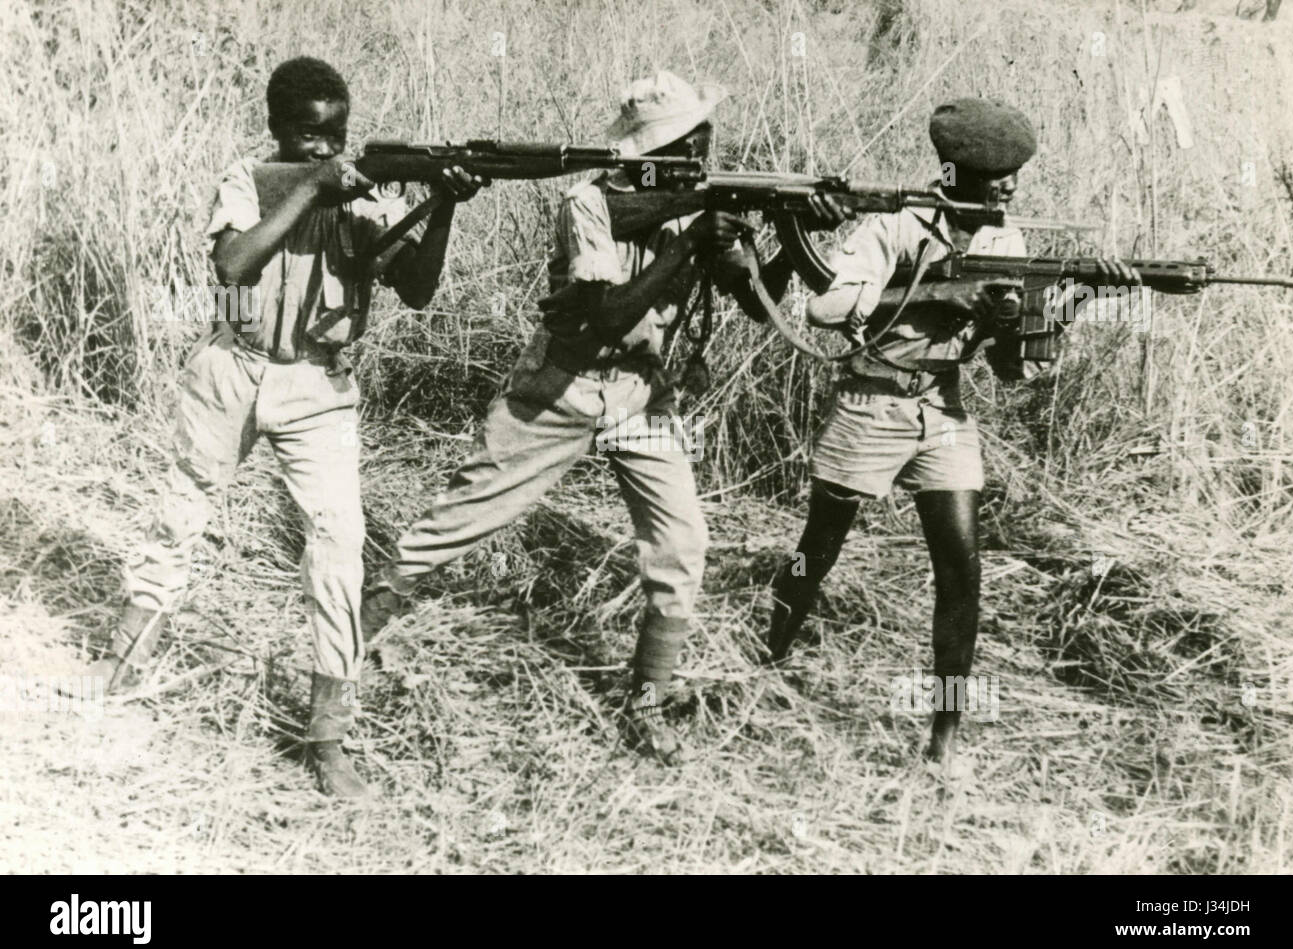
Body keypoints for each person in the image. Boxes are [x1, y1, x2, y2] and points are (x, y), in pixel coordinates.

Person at [360, 71, 799, 766]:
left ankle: (649, 701)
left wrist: (788, 237)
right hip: (562, 389)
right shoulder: (587, 204)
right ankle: (351, 639)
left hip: (639, 397)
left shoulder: (692, 206)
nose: (706, 155)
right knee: (456, 523)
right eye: (692, 143)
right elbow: (603, 317)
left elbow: (754, 303)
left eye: (706, 142)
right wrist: (689, 246)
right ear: (650, 151)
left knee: (682, 547)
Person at [86, 56, 479, 798]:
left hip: (319, 387)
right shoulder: (246, 179)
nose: (326, 151)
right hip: (233, 365)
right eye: (309, 137)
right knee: (182, 512)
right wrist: (308, 192)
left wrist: (444, 204)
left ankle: (326, 735)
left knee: (338, 550)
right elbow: (234, 266)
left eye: (338, 138)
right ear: (277, 130)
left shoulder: (370, 200)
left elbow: (419, 290)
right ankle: (122, 659)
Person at [763, 98, 1141, 765]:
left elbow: (1013, 367)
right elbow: (825, 306)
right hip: (870, 402)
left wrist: (1076, 298)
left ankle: (944, 735)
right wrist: (941, 295)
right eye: (994, 173)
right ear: (951, 169)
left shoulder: (1005, 241)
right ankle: (763, 660)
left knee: (962, 571)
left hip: (942, 410)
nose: (1009, 186)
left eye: (1014, 173)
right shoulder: (894, 223)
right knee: (816, 552)